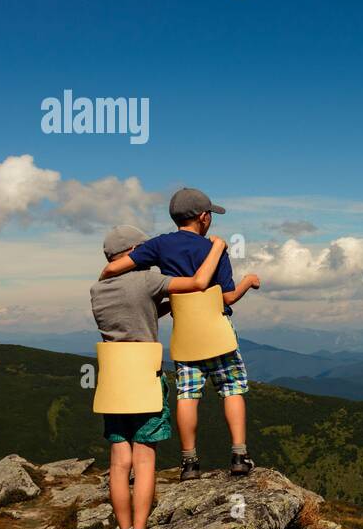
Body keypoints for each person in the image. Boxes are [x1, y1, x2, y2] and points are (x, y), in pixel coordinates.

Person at [99, 188, 260, 480]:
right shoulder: (215, 249)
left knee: (187, 395)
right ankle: (239, 454)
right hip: (217, 331)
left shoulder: (160, 245)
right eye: (210, 214)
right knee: (232, 389)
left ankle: (189, 462)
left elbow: (114, 268)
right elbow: (226, 298)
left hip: (184, 335)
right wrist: (249, 281)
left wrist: (105, 278)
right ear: (203, 217)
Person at [90, 225, 227, 529]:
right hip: (144, 377)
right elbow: (198, 282)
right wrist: (217, 248)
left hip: (112, 379)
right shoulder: (146, 280)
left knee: (119, 461)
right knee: (145, 457)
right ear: (134, 252)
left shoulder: (97, 291)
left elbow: (144, 310)